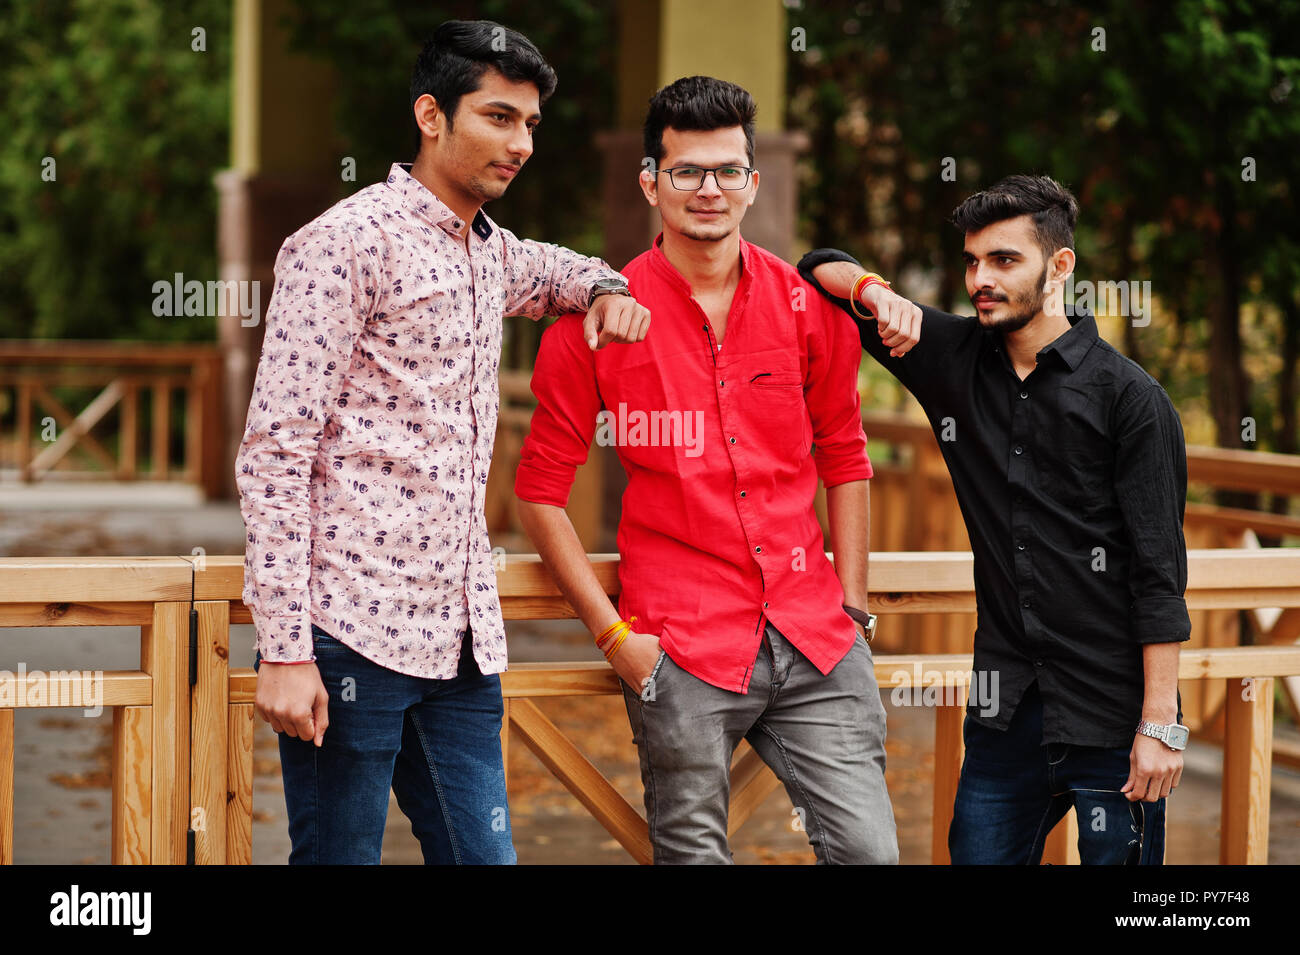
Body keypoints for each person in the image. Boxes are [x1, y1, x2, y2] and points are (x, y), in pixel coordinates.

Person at [236, 19, 650, 865]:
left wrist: (606, 285)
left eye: (531, 124)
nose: (521, 142)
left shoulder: (489, 253)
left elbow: (559, 269)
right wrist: (282, 647)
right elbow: (274, 453)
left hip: (464, 639)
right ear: (431, 115)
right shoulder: (344, 243)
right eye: (499, 117)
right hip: (349, 630)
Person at [514, 75, 906, 864]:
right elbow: (540, 494)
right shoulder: (594, 327)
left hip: (814, 637)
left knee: (869, 854)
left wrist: (855, 608)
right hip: (680, 646)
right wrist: (615, 636)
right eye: (687, 171)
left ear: (754, 183)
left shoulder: (807, 309)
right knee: (693, 857)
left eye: (728, 170)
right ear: (651, 182)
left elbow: (846, 453)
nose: (709, 190)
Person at [799, 174, 1189, 865]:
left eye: (1004, 260)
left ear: (1059, 266)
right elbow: (816, 266)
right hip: (1004, 710)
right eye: (972, 261)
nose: (981, 277)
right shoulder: (950, 356)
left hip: (1114, 712)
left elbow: (1159, 575)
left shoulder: (1131, 400)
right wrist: (877, 294)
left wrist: (1161, 724)